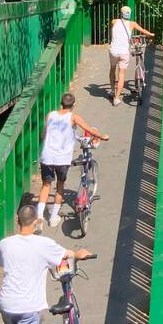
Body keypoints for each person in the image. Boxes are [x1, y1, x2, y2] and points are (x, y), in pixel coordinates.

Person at [37, 92, 107, 228]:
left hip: (47, 156)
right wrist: (102, 136)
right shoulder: (73, 117)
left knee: (46, 185)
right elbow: (88, 129)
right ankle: (53, 218)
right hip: (62, 159)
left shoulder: (50, 115)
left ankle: (39, 216)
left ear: (61, 103)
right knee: (60, 186)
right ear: (73, 104)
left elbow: (45, 133)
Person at [110, 5, 155, 106]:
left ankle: (112, 90)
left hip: (113, 50)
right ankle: (116, 98)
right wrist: (151, 35)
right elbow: (143, 31)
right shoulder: (132, 24)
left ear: (121, 13)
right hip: (124, 52)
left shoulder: (114, 21)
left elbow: (115, 30)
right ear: (129, 14)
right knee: (121, 74)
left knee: (113, 69)